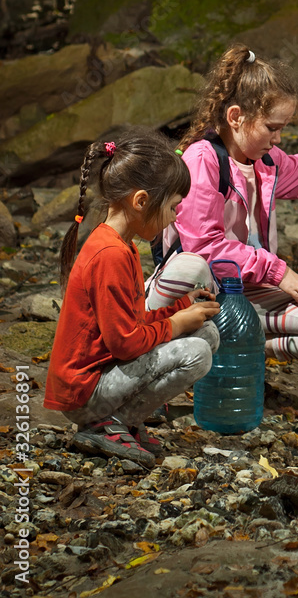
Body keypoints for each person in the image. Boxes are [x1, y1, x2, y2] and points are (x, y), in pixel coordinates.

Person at [146, 44, 298, 363]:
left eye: (282, 128)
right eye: (272, 128)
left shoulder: (265, 161)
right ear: (236, 117)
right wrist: (277, 271)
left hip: (247, 293)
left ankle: (257, 349)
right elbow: (202, 247)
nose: (278, 138)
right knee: (193, 274)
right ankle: (172, 346)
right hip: (196, 295)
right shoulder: (203, 161)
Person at [44, 127, 221, 469]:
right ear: (140, 201)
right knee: (196, 351)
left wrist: (184, 307)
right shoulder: (109, 254)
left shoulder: (119, 246)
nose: (176, 216)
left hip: (103, 378)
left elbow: (132, 321)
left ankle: (118, 422)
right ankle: (108, 424)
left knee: (207, 334)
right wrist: (175, 322)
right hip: (84, 392)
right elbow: (126, 342)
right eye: (173, 207)